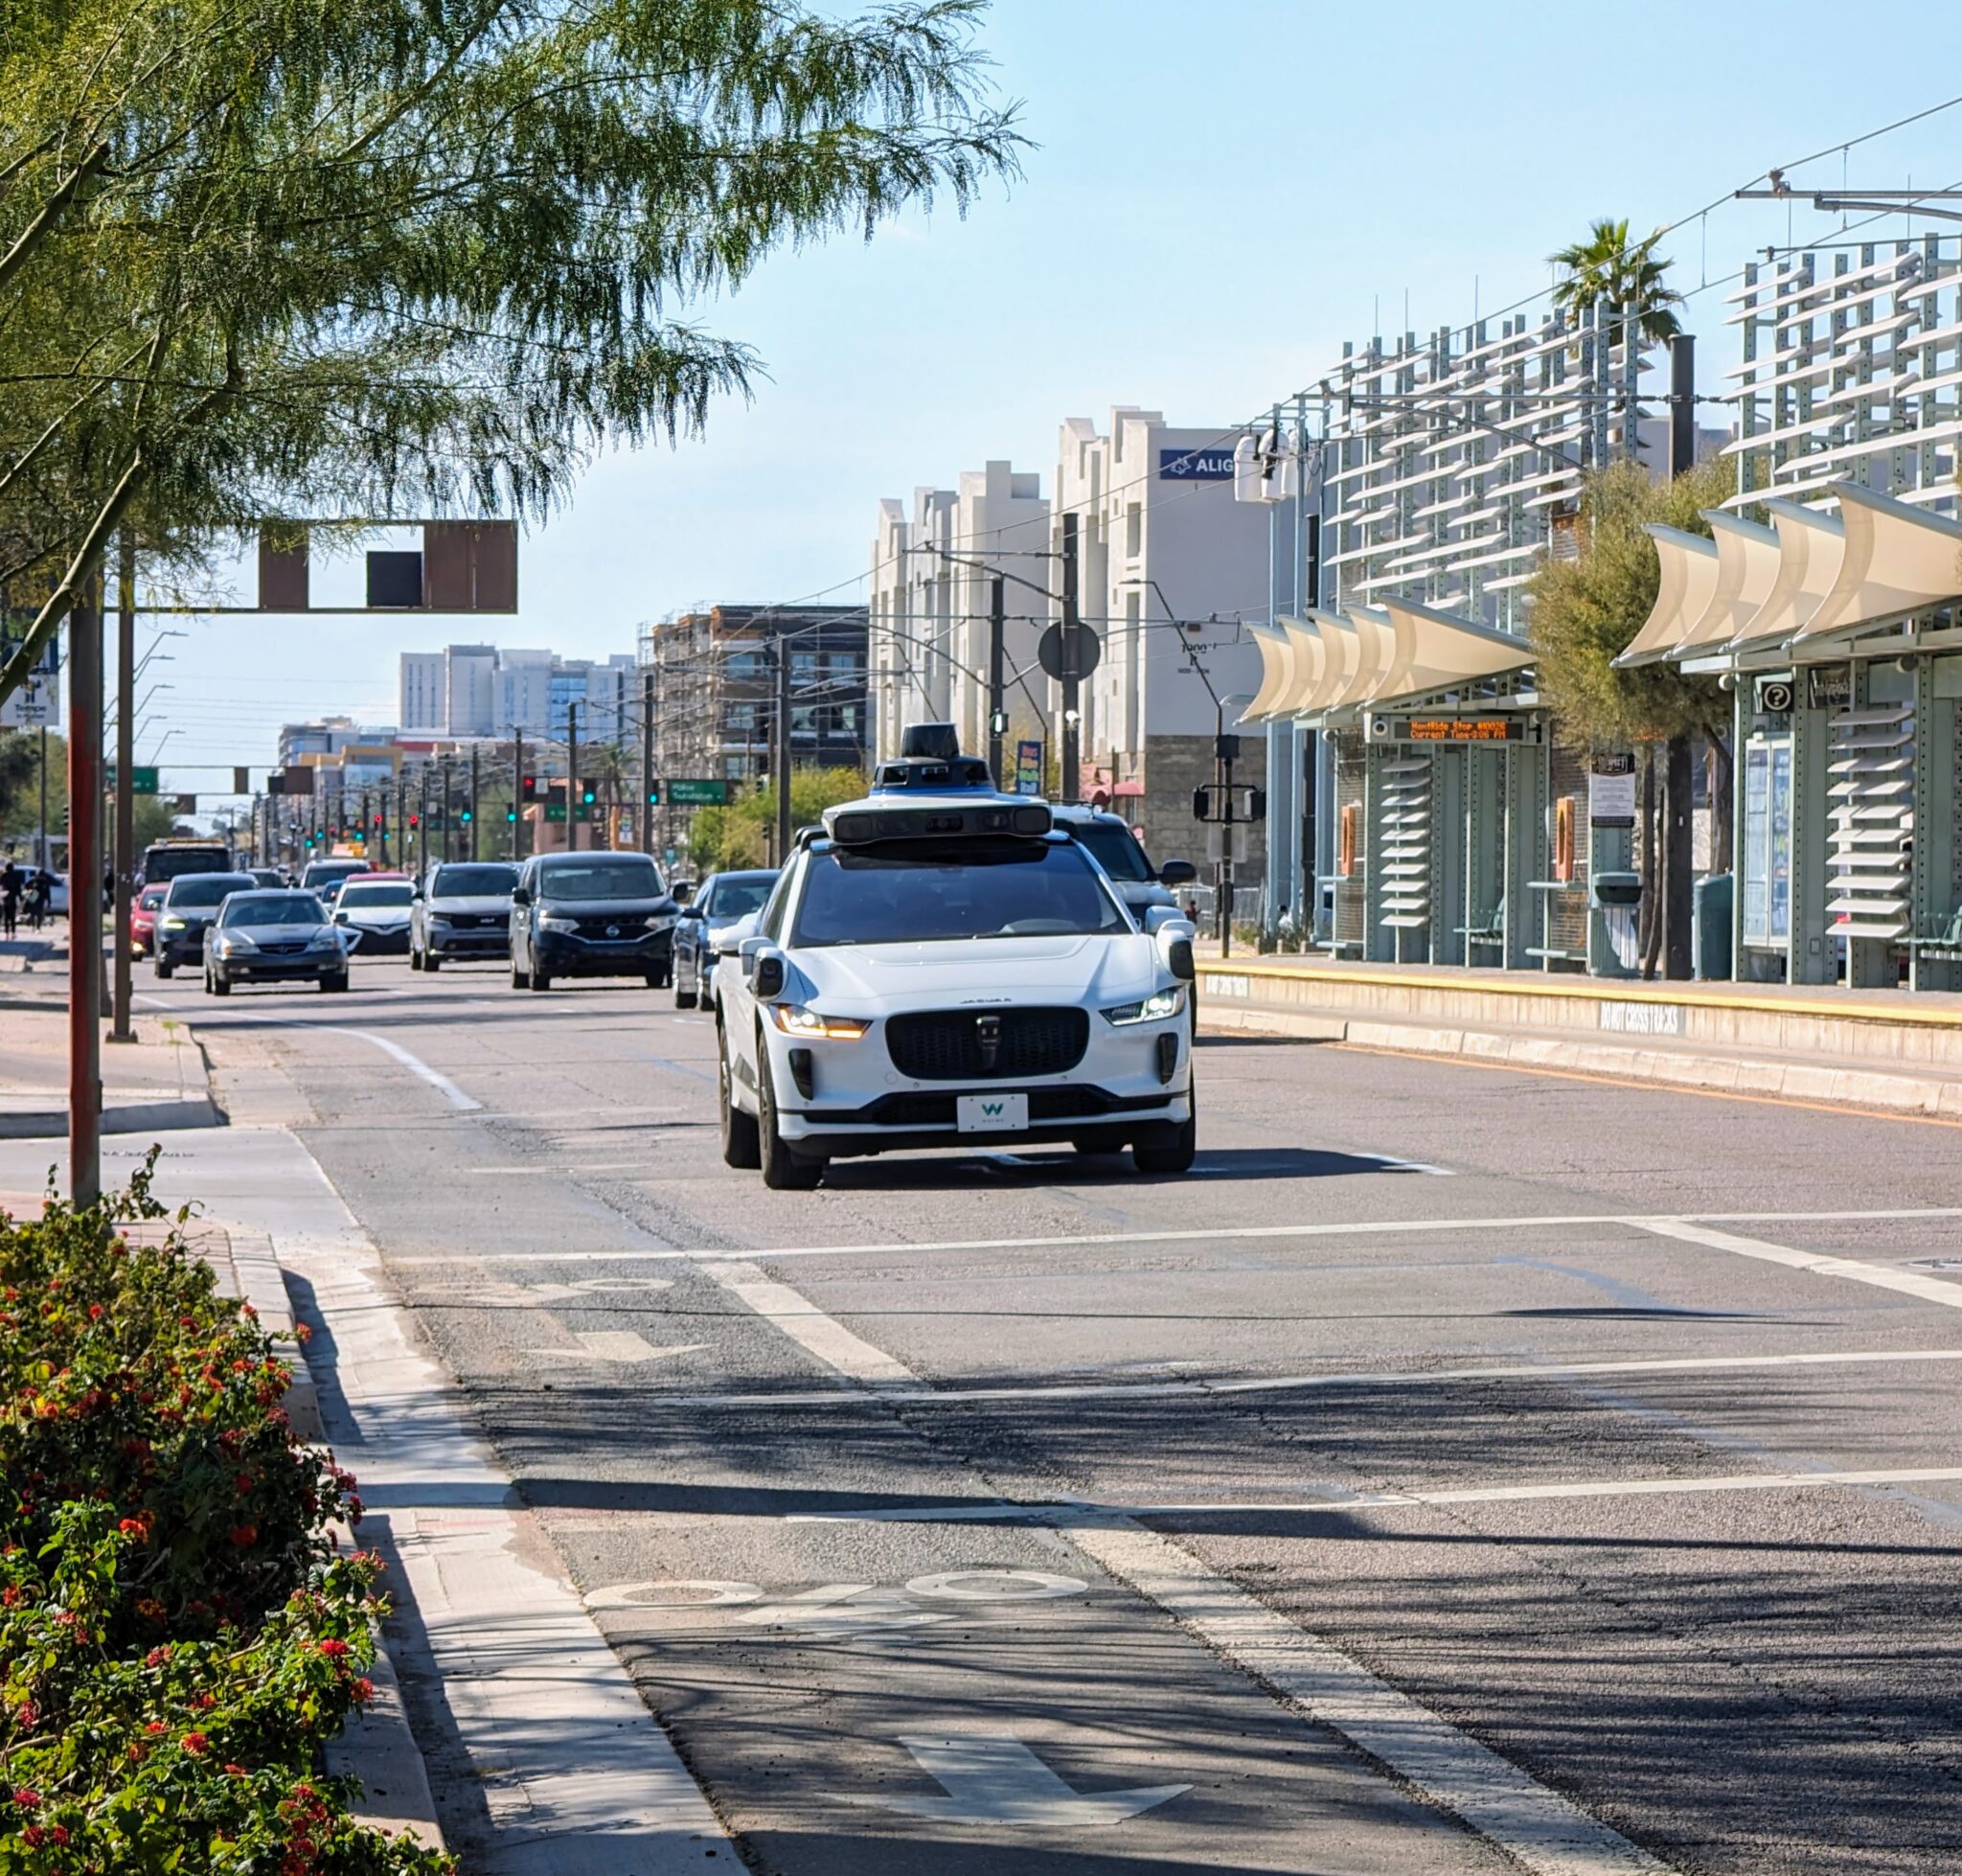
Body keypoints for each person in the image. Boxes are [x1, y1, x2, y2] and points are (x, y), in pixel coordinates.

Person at [0, 859, 18, 938]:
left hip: (5, 897)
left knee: (6, 916)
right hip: (13, 897)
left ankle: (7, 933)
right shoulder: (16, 876)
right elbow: (19, 888)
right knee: (13, 917)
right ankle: (13, 933)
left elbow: (1, 886)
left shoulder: (4, 876)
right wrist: (19, 896)